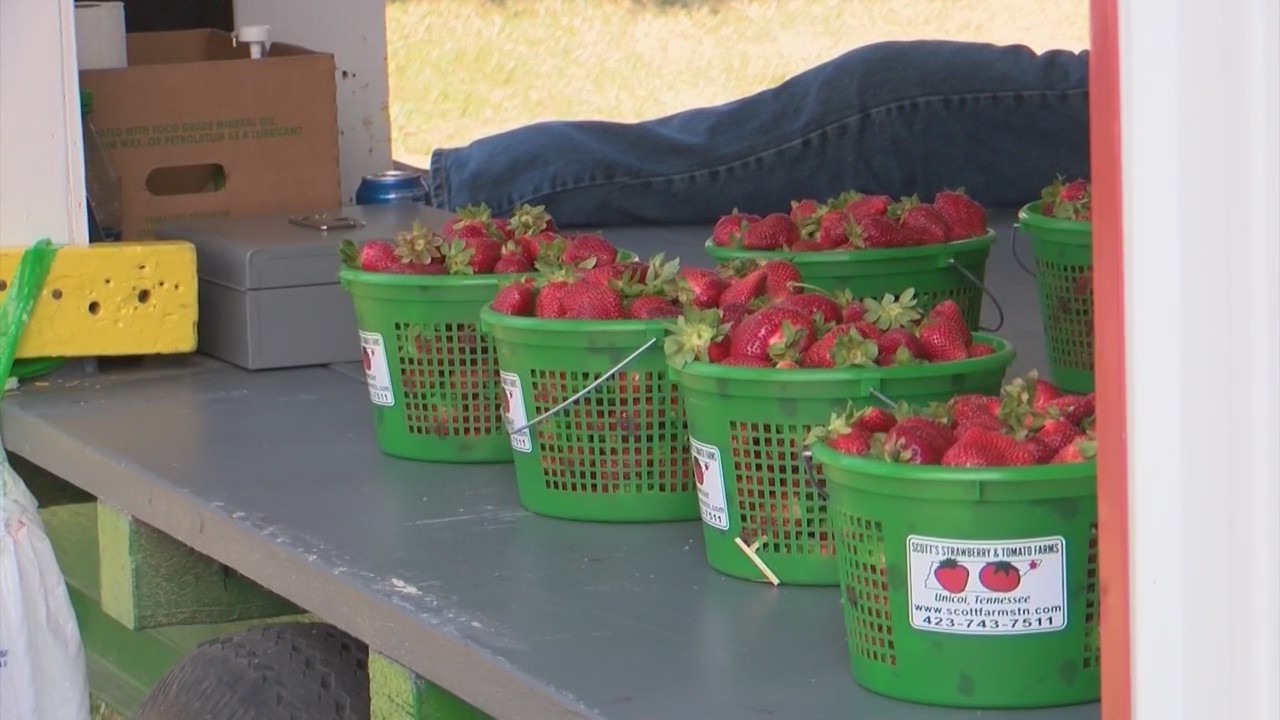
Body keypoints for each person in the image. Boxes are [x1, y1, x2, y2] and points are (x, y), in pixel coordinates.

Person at [426, 40, 1089, 227]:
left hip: (1046, 106)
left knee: (704, 157)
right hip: (918, 105)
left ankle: (473, 184)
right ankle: (472, 185)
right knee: (705, 163)